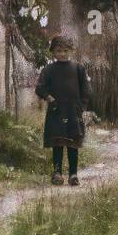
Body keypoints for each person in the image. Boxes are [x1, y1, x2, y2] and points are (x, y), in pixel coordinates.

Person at [35, 35, 90, 186]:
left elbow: (86, 90)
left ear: (71, 51)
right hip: (56, 111)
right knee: (57, 143)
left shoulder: (78, 69)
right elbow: (39, 88)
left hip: (74, 112)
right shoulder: (49, 70)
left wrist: (82, 107)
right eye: (58, 50)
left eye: (65, 50)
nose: (62, 54)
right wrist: (48, 97)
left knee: (73, 144)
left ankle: (73, 175)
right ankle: (57, 173)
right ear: (53, 52)